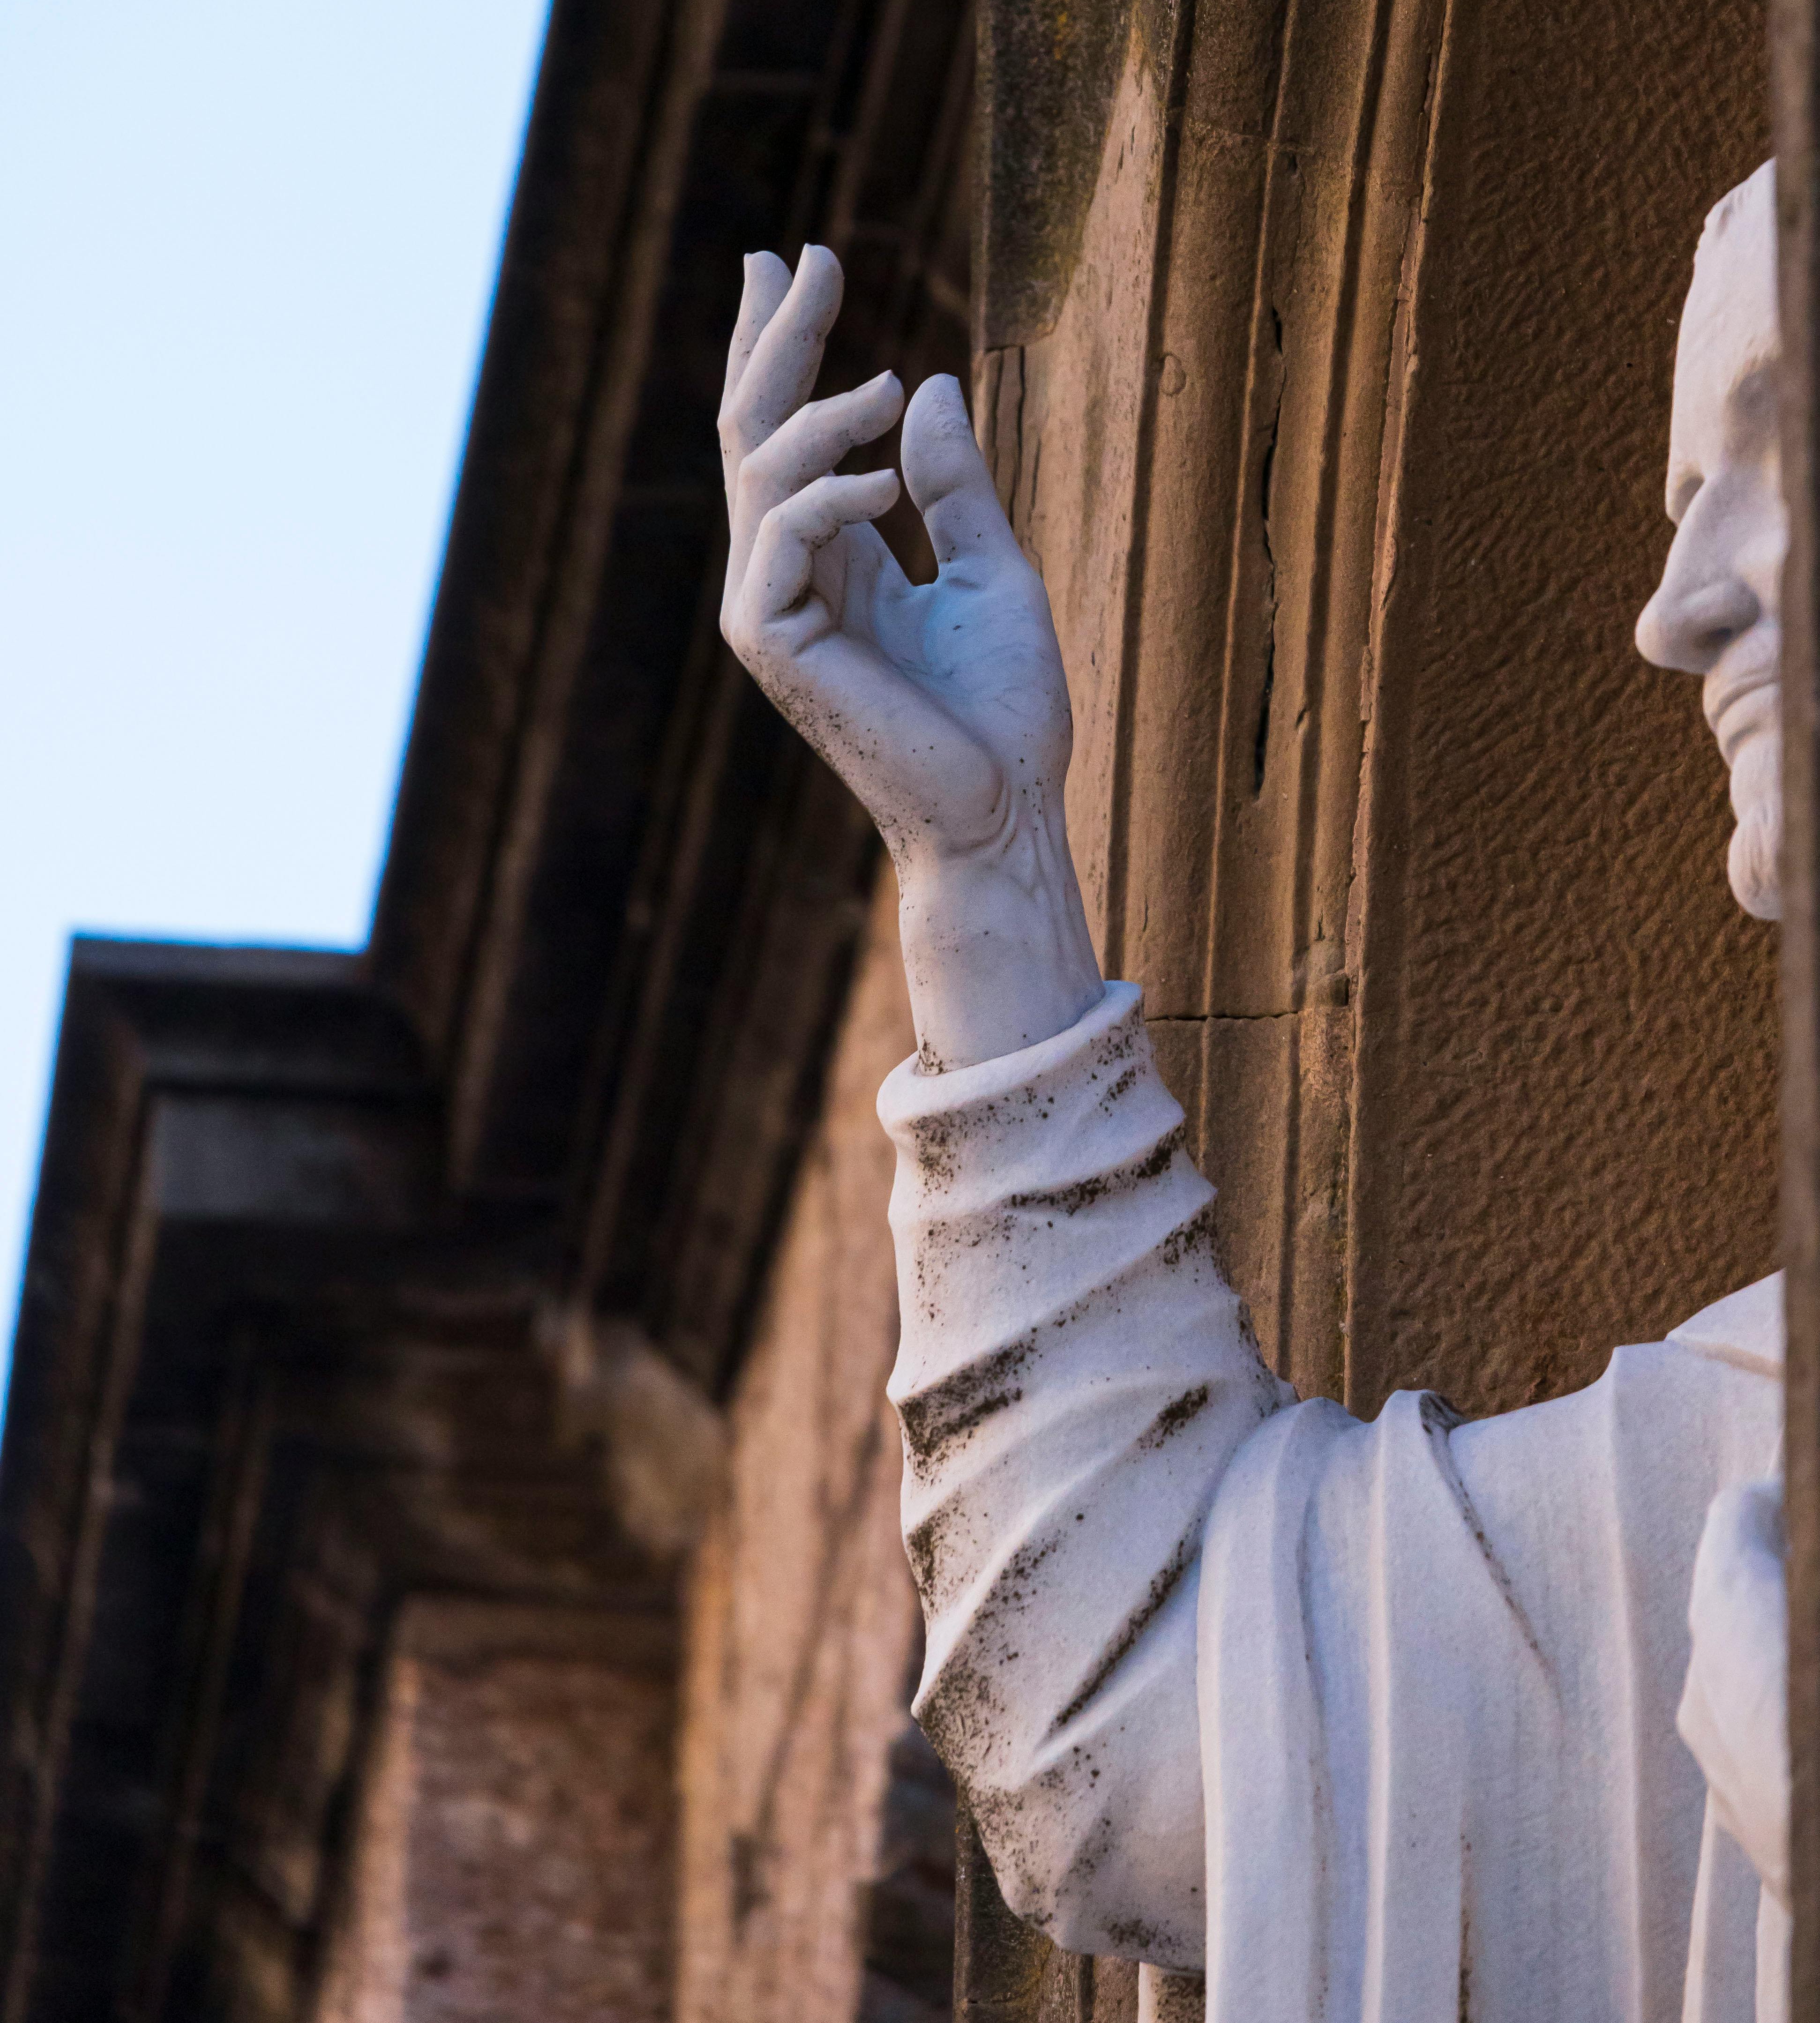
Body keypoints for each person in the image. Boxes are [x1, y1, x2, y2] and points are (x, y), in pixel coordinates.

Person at [716, 161, 1789, 2020]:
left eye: (1774, 442)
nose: (1674, 607)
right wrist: (989, 871)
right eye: (1683, 499)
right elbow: (1146, 1740)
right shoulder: (1746, 1465)